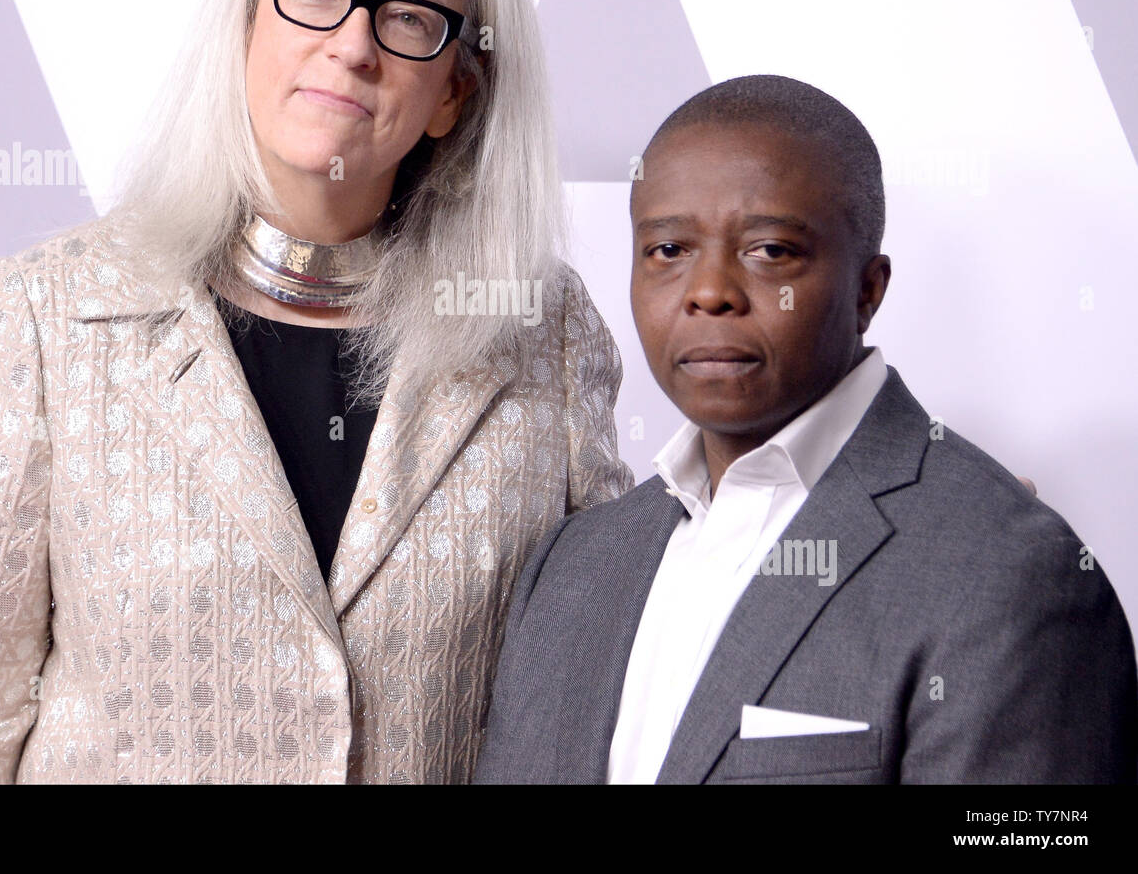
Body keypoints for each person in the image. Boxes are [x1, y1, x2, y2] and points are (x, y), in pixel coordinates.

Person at [0, 0, 633, 785]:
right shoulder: (41, 321)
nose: (350, 44)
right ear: (248, 19)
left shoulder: (541, 334)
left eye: (411, 18)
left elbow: (598, 709)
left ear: (453, 94)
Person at [474, 74, 1138, 784]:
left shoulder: (1009, 575)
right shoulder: (571, 566)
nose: (709, 292)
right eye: (668, 250)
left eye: (771, 251)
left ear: (868, 289)